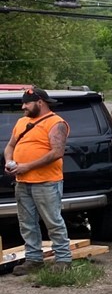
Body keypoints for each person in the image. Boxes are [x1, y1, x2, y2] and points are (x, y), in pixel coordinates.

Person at [4, 87, 71, 275]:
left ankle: (63, 260)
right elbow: (10, 145)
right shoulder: (22, 122)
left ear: (40, 102)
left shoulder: (56, 123)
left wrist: (28, 166)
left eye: (27, 103)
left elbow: (57, 152)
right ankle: (33, 259)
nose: (23, 106)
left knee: (53, 222)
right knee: (26, 222)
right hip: (22, 181)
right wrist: (10, 161)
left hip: (46, 182)